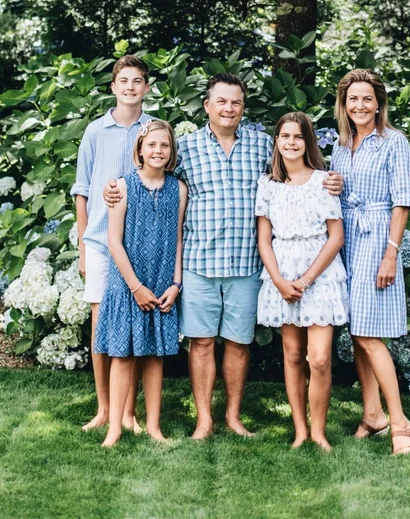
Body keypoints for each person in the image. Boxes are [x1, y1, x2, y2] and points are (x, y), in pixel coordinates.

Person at [105, 73, 344, 439]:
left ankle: (232, 416)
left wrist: (331, 180)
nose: (229, 108)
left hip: (247, 262)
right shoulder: (185, 147)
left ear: (242, 107)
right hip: (200, 262)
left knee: (238, 343)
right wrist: (116, 188)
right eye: (221, 101)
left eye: (236, 102)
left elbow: (297, 170)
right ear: (207, 106)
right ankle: (204, 420)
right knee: (200, 342)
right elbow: (153, 170)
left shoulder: (264, 145)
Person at [331, 68, 410, 456]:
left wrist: (390, 253)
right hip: (345, 237)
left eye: (367, 99)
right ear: (344, 104)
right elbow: (337, 189)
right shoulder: (340, 143)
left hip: (376, 236)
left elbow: (402, 202)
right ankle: (372, 414)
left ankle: (400, 422)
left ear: (379, 103)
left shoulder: (393, 142)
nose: (360, 105)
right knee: (356, 332)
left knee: (368, 333)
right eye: (353, 99)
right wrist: (333, 184)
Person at [256, 112, 349, 451]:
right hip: (282, 272)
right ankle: (300, 430)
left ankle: (319, 430)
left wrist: (307, 279)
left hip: (319, 275)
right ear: (277, 142)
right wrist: (280, 280)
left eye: (297, 137)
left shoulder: (324, 181)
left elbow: (335, 236)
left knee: (320, 358)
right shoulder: (267, 185)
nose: (291, 143)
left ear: (307, 142)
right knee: (293, 354)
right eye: (285, 137)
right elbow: (264, 239)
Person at [70, 54, 152, 431]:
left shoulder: (153, 130)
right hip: (102, 243)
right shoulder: (95, 131)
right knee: (101, 325)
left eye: (138, 81)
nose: (130, 87)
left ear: (146, 88)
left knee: (132, 328)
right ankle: (104, 408)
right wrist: (85, 246)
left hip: (138, 244)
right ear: (114, 87)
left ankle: (128, 412)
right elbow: (81, 190)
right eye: (124, 81)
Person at [95, 120, 188, 448]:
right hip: (128, 286)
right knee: (122, 356)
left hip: (162, 284)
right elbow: (114, 242)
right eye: (152, 145)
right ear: (140, 149)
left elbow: (177, 240)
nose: (158, 151)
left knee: (154, 358)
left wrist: (176, 284)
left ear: (171, 151)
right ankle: (115, 428)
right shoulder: (122, 186)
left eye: (164, 146)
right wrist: (135, 286)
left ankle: (153, 426)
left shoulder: (178, 189)